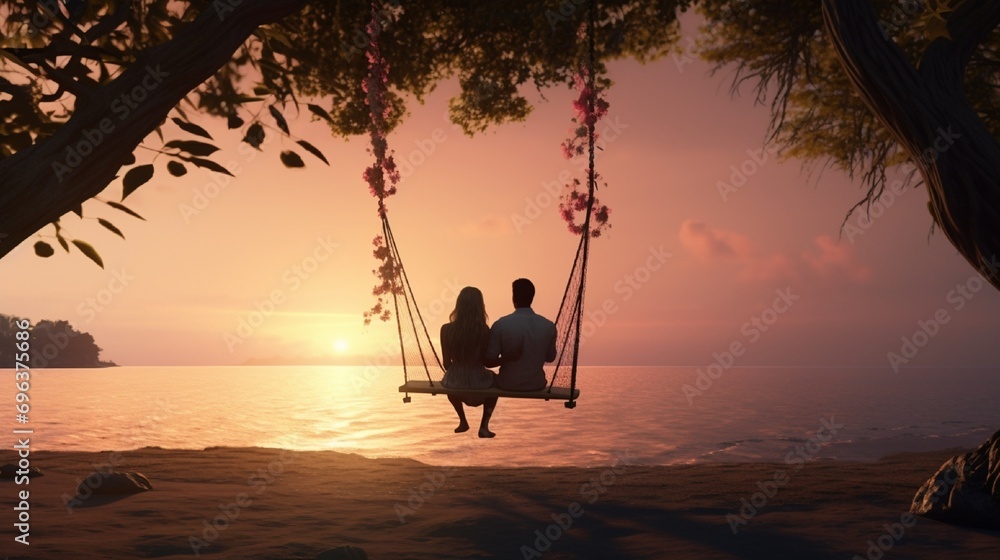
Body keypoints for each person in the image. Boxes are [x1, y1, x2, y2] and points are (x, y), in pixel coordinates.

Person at [440, 286, 500, 438]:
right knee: (495, 388)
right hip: (478, 378)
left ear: (458, 305)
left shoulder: (446, 330)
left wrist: (458, 369)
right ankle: (484, 426)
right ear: (480, 306)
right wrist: (507, 359)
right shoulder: (484, 330)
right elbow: (486, 362)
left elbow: (446, 363)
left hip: (455, 379)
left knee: (448, 384)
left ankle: (462, 420)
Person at [486, 278, 557, 392]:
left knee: (487, 377)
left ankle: (487, 410)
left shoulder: (501, 324)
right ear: (532, 297)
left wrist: (506, 358)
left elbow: (489, 362)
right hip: (536, 384)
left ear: (513, 298)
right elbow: (550, 358)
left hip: (507, 384)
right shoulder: (549, 326)